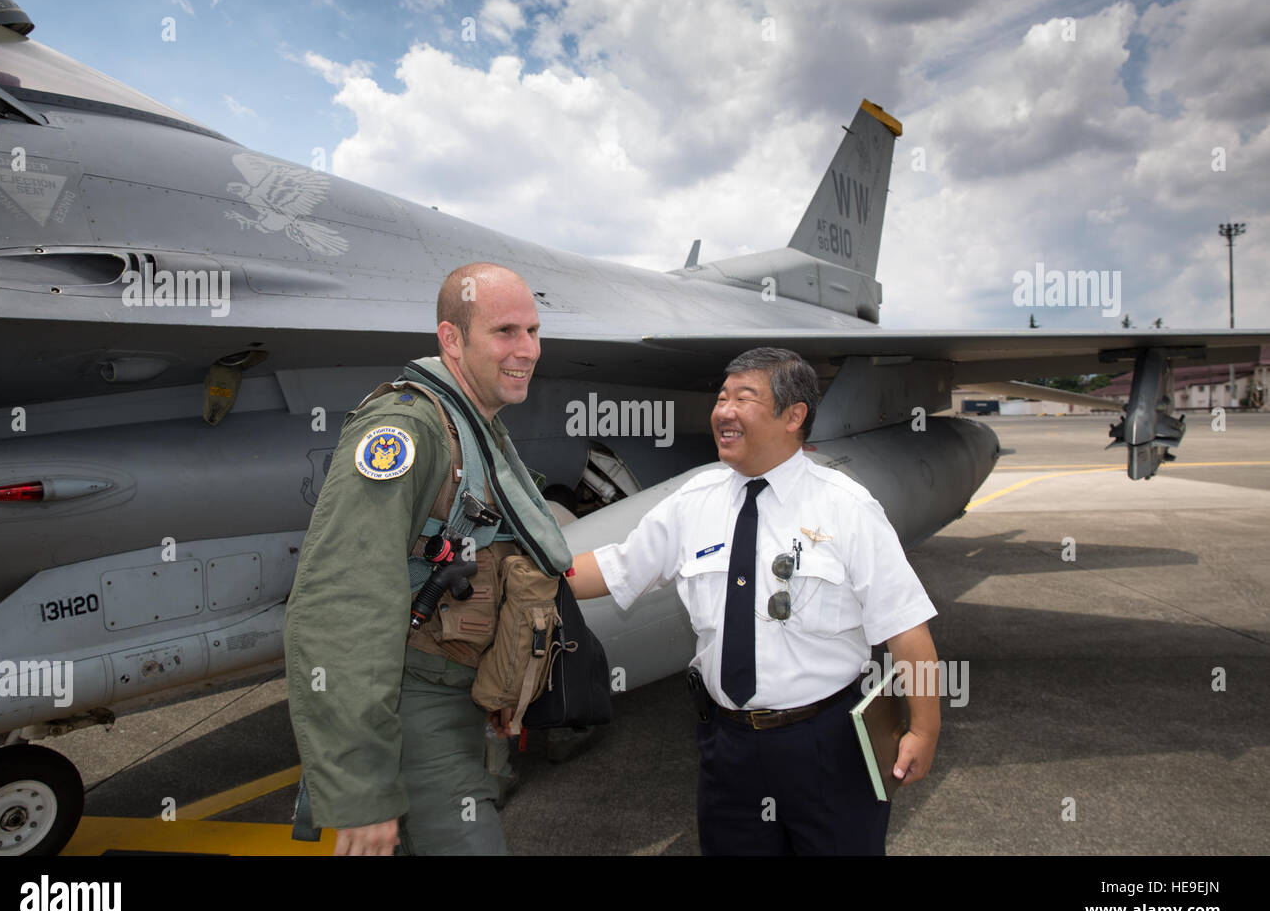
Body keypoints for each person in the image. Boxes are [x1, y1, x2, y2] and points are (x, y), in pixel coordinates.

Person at [569, 347, 941, 855]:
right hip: (729, 749)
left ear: (794, 416)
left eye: (744, 398)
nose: (724, 411)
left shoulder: (847, 506)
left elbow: (906, 630)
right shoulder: (692, 501)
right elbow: (616, 568)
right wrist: (533, 568)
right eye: (722, 397)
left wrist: (923, 729)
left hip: (829, 745)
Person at [284, 262, 572, 856]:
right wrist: (363, 790)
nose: (528, 350)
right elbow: (343, 601)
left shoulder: (477, 426)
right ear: (452, 339)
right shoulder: (407, 429)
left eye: (534, 331)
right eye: (506, 332)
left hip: (459, 695)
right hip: (414, 700)